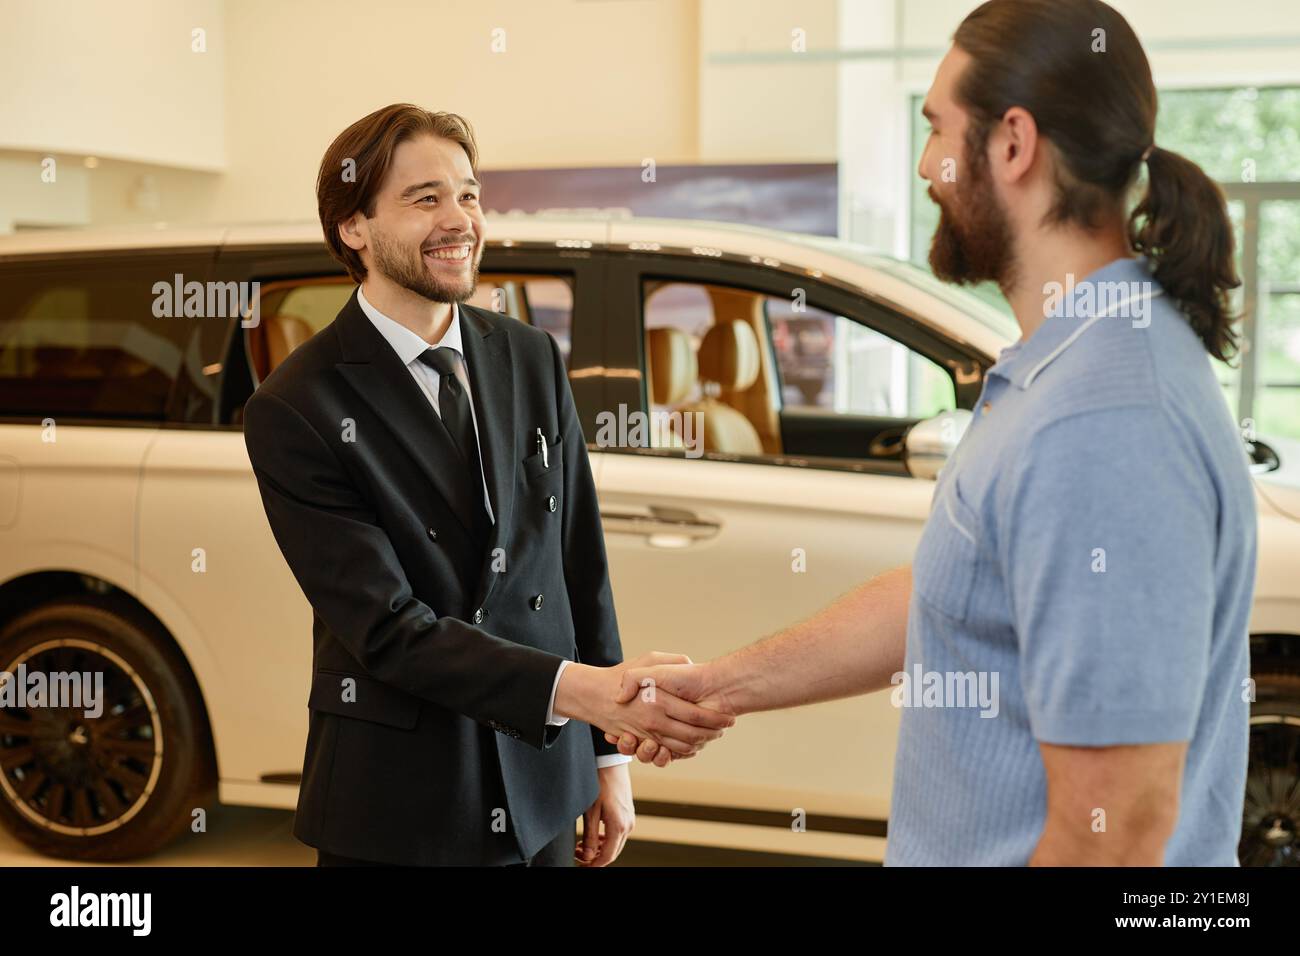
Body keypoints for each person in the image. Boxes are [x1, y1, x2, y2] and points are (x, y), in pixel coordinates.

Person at [610, 0, 1256, 866]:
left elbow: (1117, 832)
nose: (925, 165)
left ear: (1013, 143)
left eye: (937, 128)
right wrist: (720, 688)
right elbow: (954, 594)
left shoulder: (1104, 418)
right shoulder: (1060, 364)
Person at [242, 104, 732, 867]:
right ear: (353, 227)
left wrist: (606, 756)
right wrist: (586, 694)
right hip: (402, 803)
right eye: (425, 198)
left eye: (468, 195)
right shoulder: (298, 406)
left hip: (544, 781)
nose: (459, 219)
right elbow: (388, 630)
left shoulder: (529, 355)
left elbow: (577, 565)